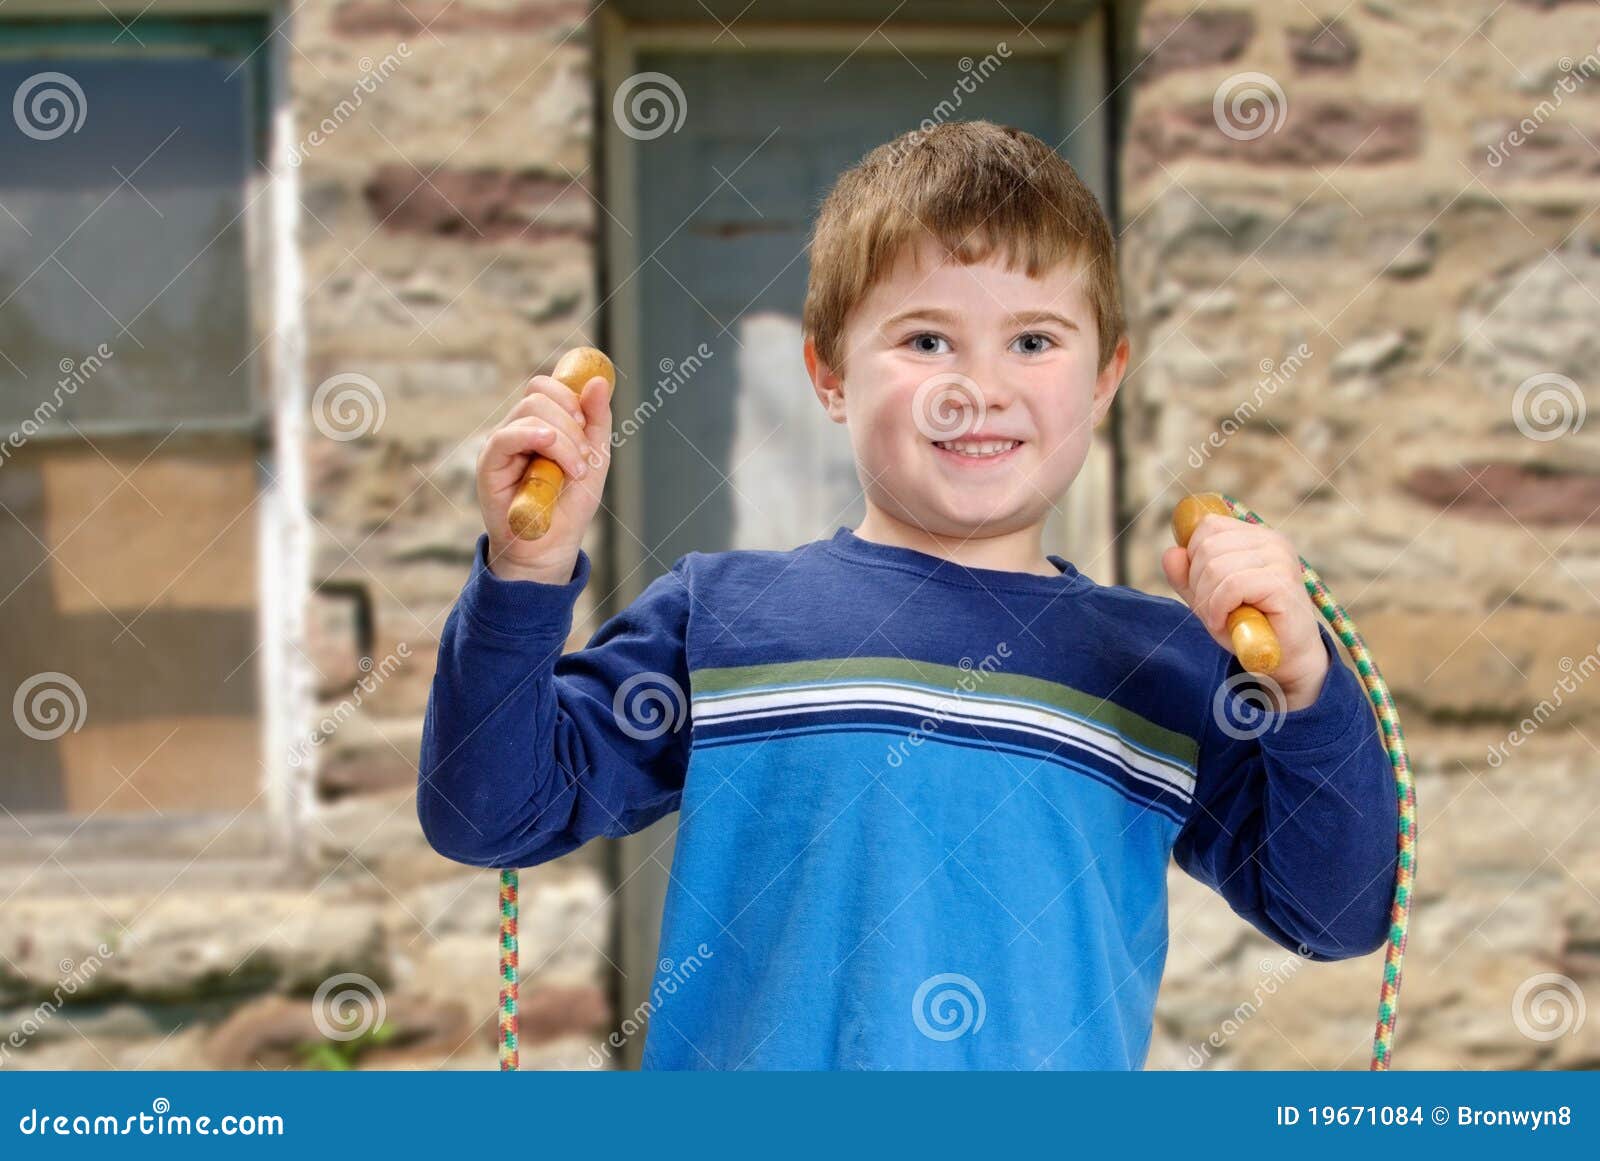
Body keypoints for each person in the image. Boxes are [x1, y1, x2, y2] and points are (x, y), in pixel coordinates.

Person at [418, 119, 1399, 1070]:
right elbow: (489, 813)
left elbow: (1338, 912)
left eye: (1033, 342)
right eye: (926, 341)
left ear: (1105, 379)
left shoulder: (1163, 667)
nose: (974, 387)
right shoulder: (721, 619)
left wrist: (1308, 687)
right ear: (829, 372)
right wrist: (524, 574)